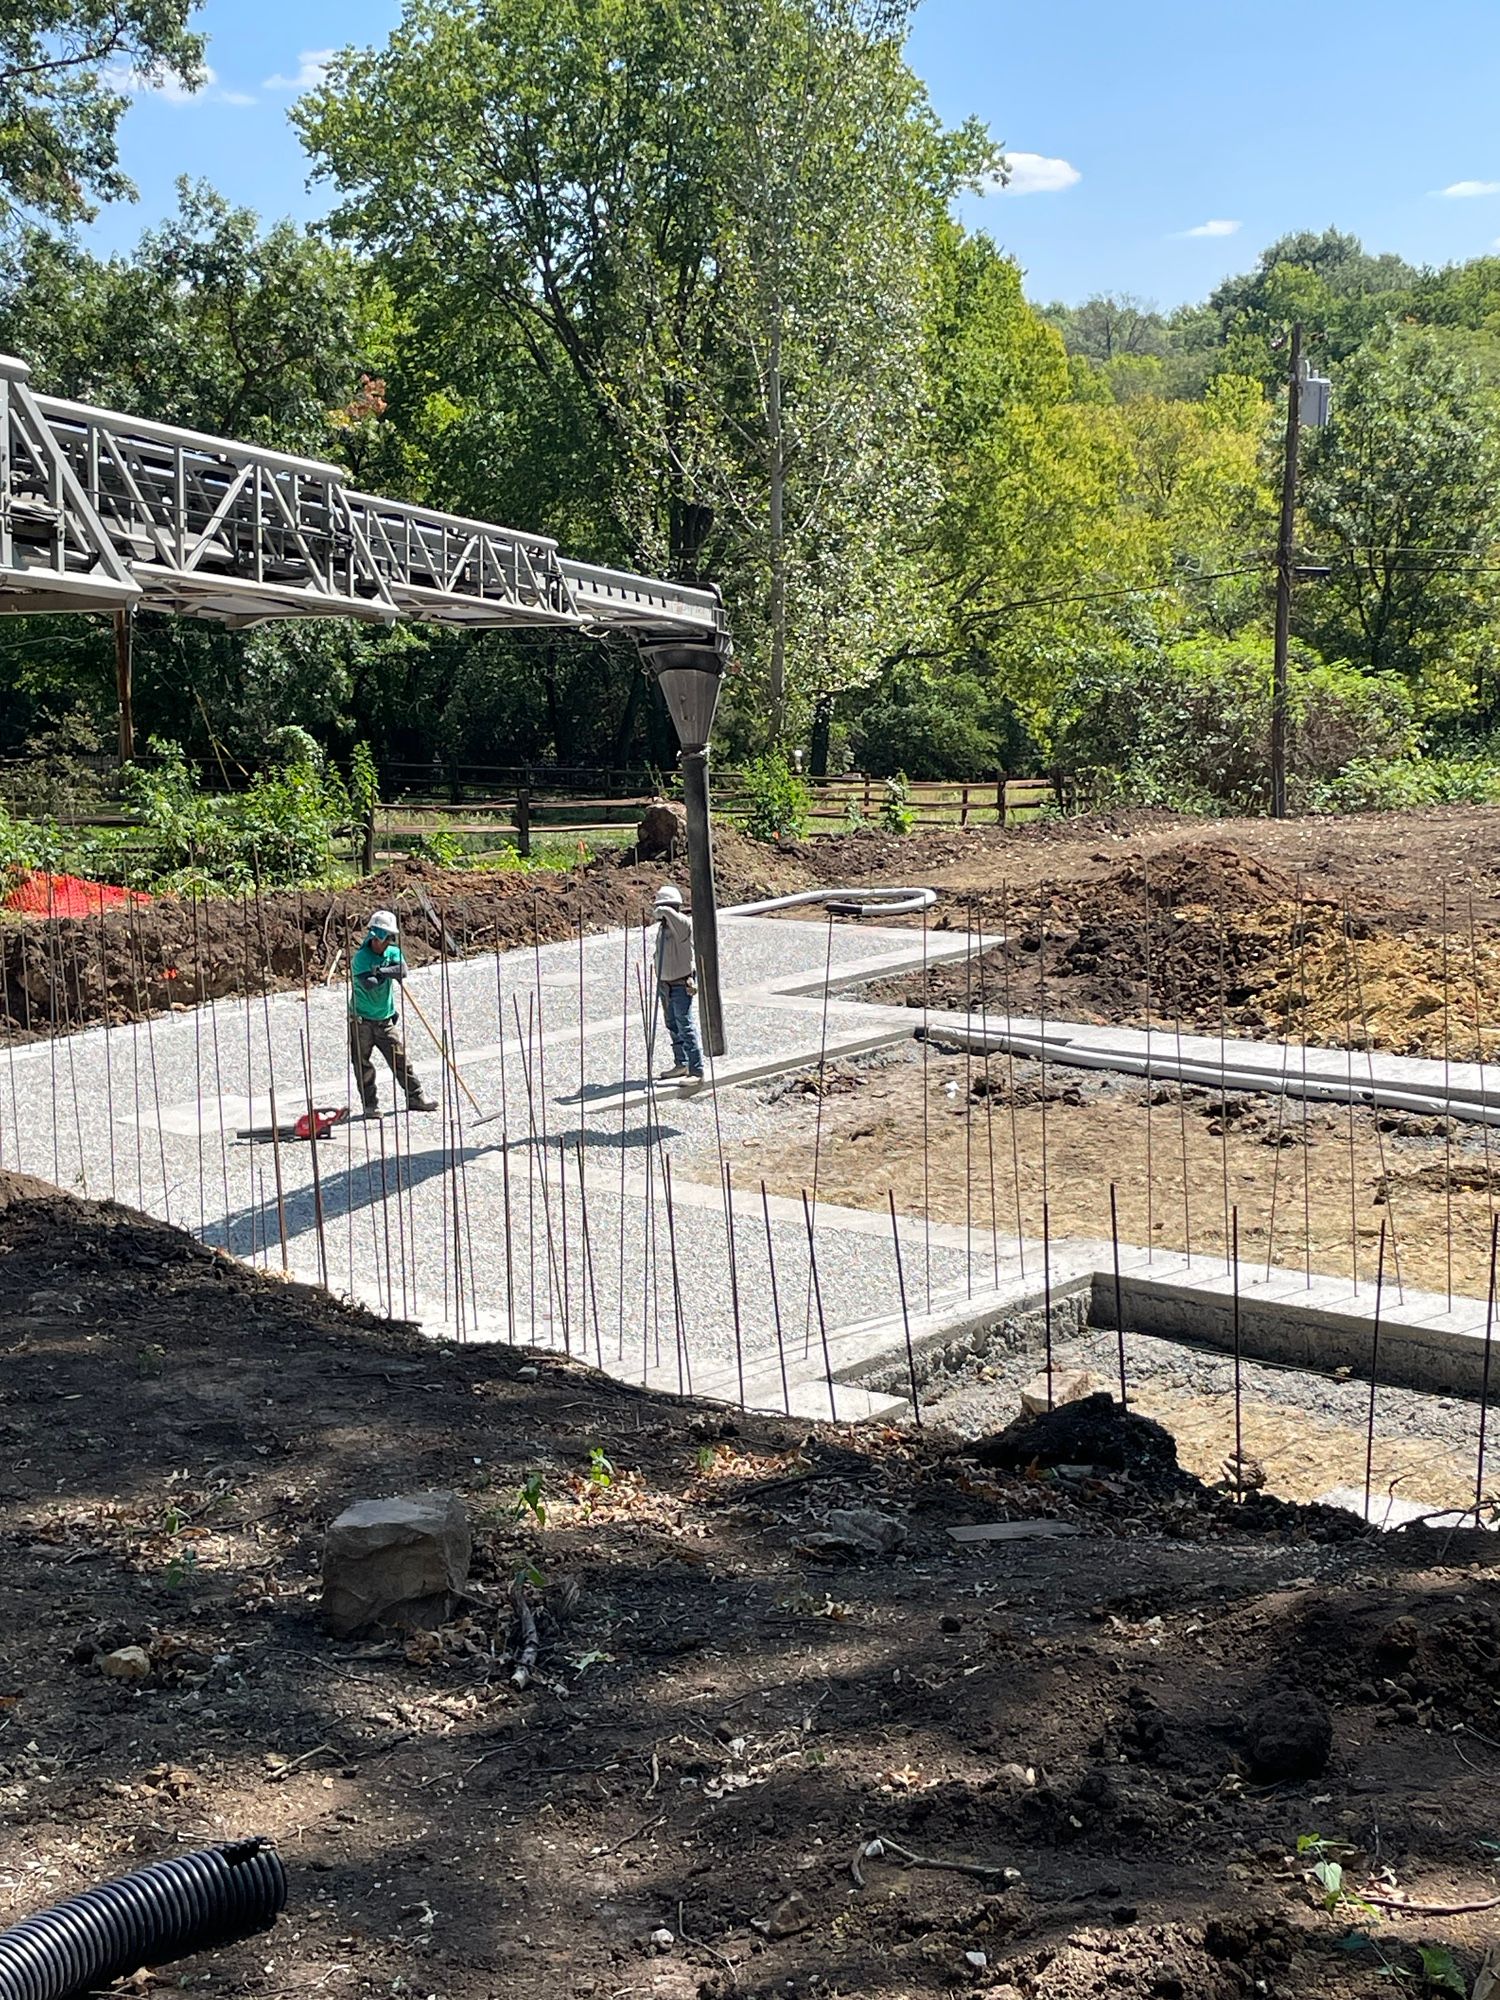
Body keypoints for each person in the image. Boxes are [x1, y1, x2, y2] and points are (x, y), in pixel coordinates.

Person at [348, 910, 436, 1115]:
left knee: (400, 1060)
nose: (388, 942)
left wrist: (379, 971)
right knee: (363, 1065)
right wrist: (386, 972)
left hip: (385, 1019)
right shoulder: (361, 958)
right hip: (361, 1020)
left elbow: (402, 971)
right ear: (375, 935)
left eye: (390, 938)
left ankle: (416, 1096)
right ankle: (370, 1105)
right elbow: (369, 983)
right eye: (385, 938)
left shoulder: (393, 953)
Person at [653, 884, 703, 1083]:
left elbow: (667, 912)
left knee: (685, 1024)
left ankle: (696, 1070)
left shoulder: (683, 925)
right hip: (665, 984)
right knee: (672, 1024)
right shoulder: (663, 929)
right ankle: (680, 1063)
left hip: (680, 984)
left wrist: (663, 909)